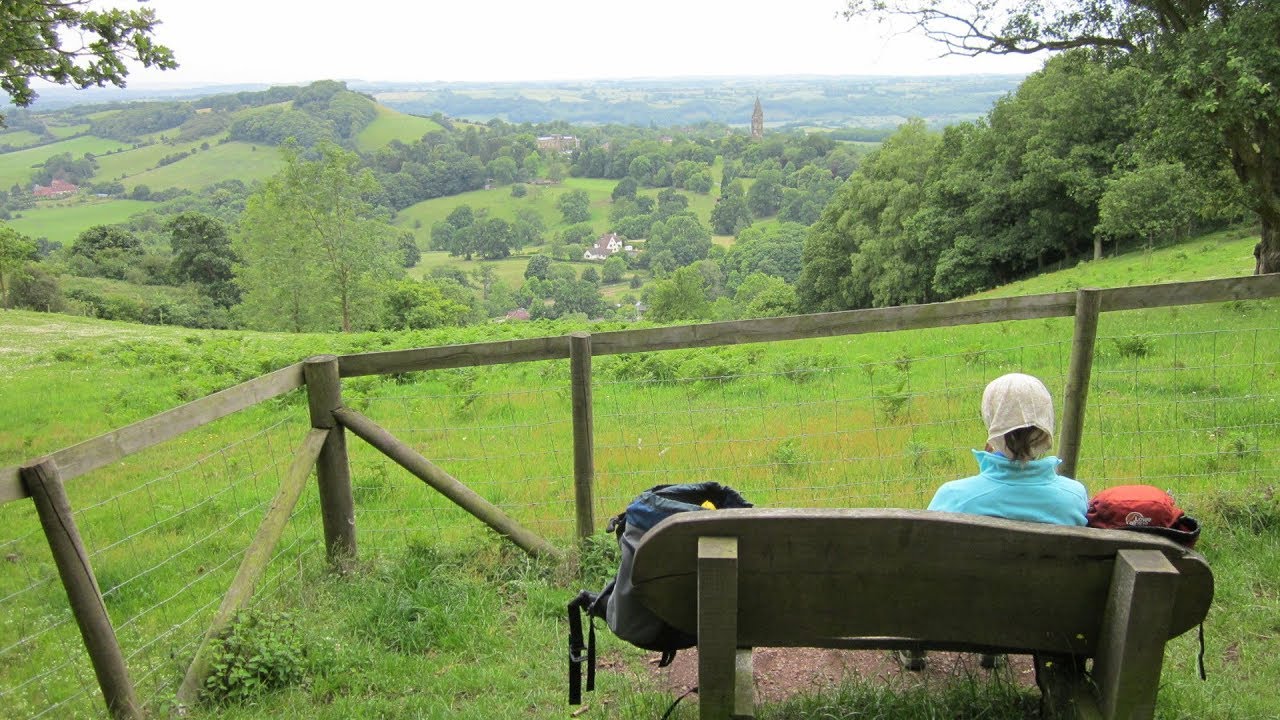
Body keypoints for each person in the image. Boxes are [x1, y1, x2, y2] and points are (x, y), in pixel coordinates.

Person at [899, 372, 1088, 671]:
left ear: (992, 420)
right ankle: (994, 647)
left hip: (965, 614)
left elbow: (921, 564)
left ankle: (916, 647)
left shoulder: (955, 497)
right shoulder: (1074, 497)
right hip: (1042, 617)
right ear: (1046, 423)